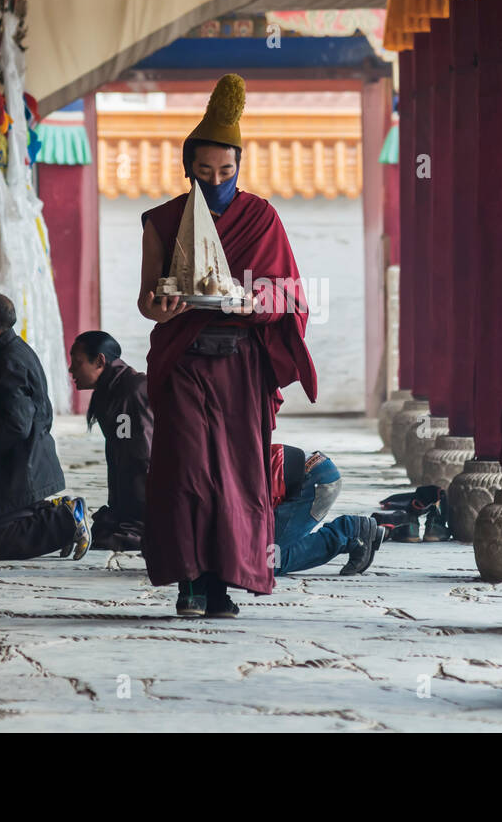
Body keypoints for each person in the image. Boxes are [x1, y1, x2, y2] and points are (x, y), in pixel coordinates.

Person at [138, 73, 317, 619]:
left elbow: (289, 292)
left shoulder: (260, 217)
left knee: (238, 476)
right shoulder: (164, 220)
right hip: (187, 363)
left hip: (241, 366)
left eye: (226, 171)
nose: (215, 180)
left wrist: (249, 303)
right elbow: (147, 300)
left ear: (239, 167)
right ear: (188, 165)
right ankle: (189, 583)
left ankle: (222, 584)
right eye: (204, 170)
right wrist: (163, 307)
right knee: (189, 471)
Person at [0, 292, 91, 561]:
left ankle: (65, 520)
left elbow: (16, 424)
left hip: (18, 470)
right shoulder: (1, 353)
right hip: (14, 467)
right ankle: (53, 512)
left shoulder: (7, 361)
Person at [68, 330, 152, 551]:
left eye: (77, 363)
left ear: (100, 361)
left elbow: (140, 459)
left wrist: (135, 516)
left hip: (149, 501)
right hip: (129, 501)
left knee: (109, 537)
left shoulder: (129, 392)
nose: (71, 370)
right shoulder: (112, 388)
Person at [270, 445, 385, 576]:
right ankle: (353, 531)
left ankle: (350, 532)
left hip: (312, 480)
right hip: (315, 471)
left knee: (269, 561)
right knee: (264, 557)